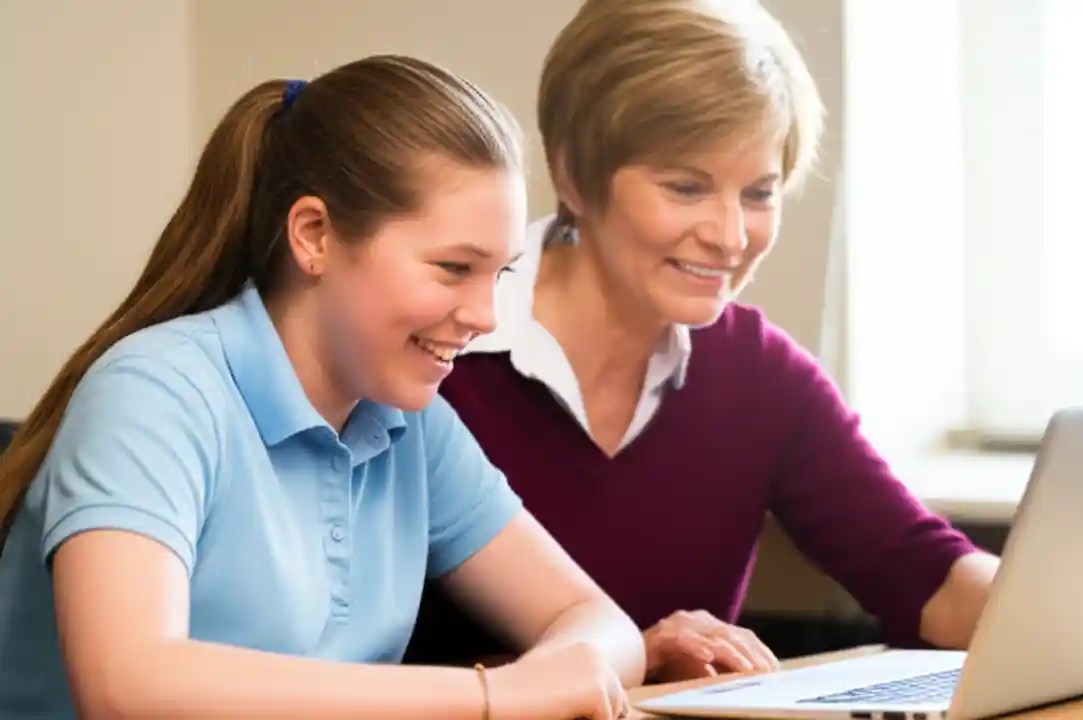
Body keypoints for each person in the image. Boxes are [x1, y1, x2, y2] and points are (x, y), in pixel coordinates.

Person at [0, 55, 643, 719]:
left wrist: (557, 674)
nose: (486, 317)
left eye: (500, 275)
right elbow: (127, 684)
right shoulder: (155, 393)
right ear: (314, 236)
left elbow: (599, 623)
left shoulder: (408, 423)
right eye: (454, 268)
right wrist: (493, 696)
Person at [403, 0, 999, 684]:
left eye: (759, 193)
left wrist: (1073, 615)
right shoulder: (438, 355)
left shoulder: (756, 373)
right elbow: (357, 661)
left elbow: (923, 572)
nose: (730, 235)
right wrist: (627, 661)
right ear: (574, 176)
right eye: (686, 188)